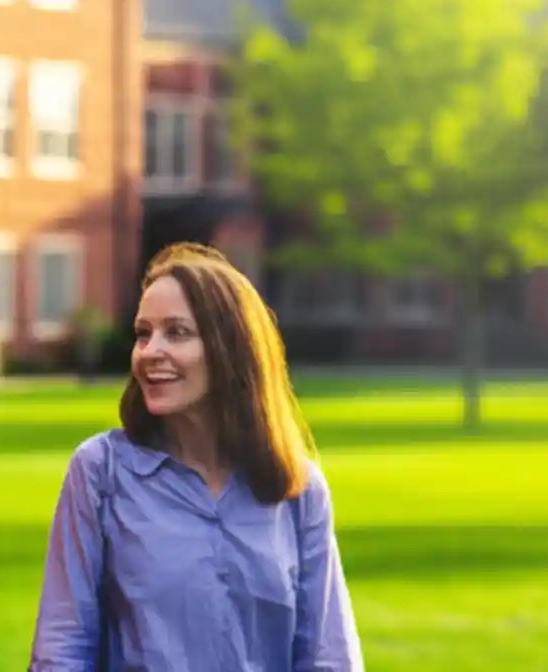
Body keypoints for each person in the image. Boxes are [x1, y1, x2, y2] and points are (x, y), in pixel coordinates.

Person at [28, 242, 364, 671]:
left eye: (177, 332)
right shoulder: (100, 473)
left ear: (231, 350)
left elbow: (327, 655)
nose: (150, 352)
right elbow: (62, 646)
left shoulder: (297, 489)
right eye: (143, 333)